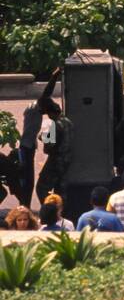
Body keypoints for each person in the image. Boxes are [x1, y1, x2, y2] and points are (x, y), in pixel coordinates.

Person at [16, 74, 59, 209]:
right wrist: (55, 74)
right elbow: (47, 92)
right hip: (26, 148)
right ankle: (25, 207)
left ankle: (25, 206)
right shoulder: (34, 109)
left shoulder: (37, 110)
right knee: (27, 182)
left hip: (29, 147)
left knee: (29, 182)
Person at [34, 99, 73, 204]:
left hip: (55, 161)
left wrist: (42, 137)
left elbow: (50, 145)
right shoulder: (68, 122)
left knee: (41, 188)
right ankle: (60, 209)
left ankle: (50, 209)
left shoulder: (56, 125)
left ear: (51, 113)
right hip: (66, 160)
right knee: (60, 189)